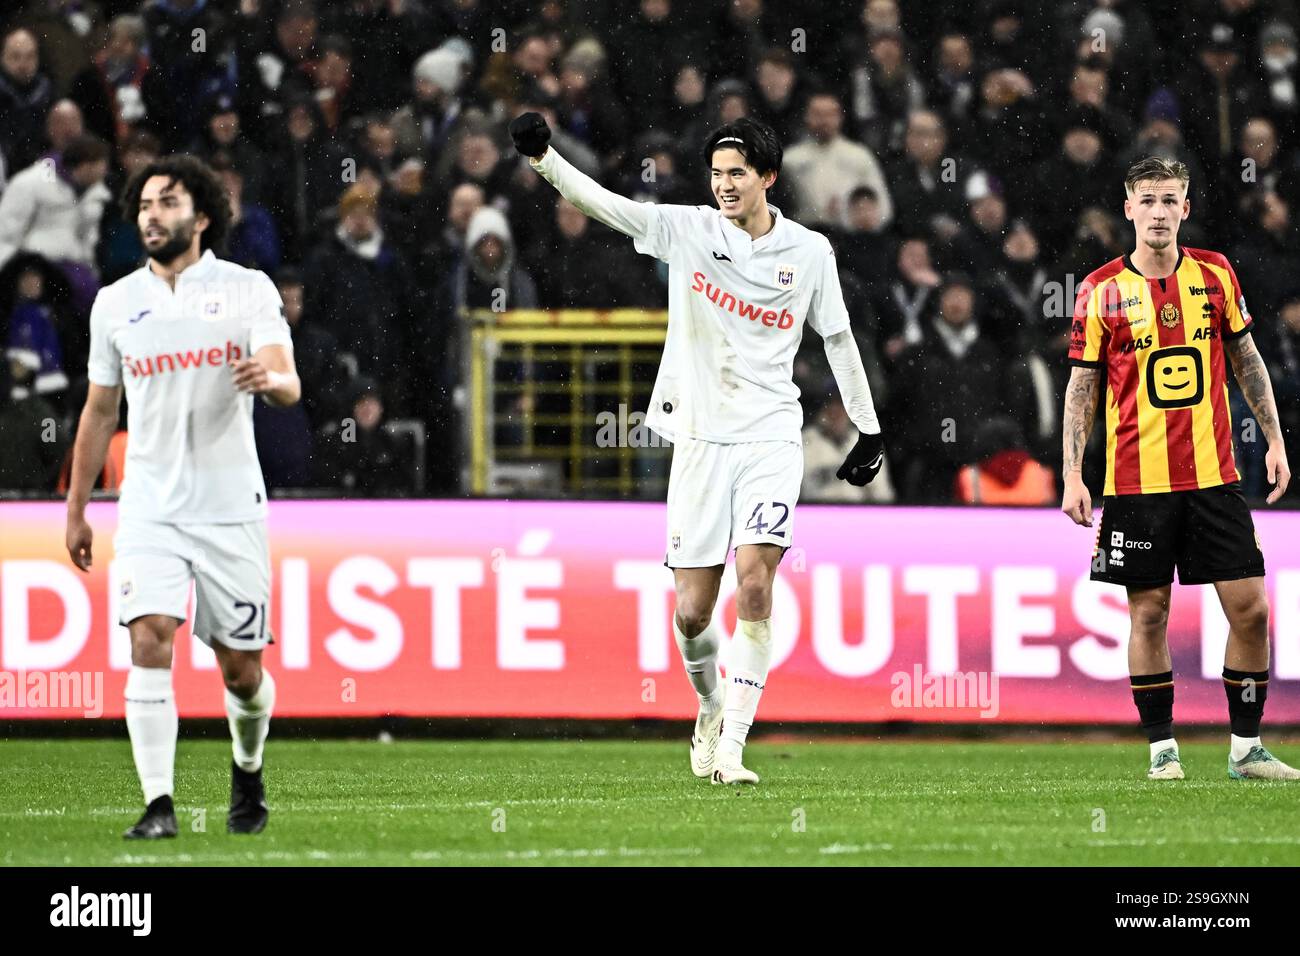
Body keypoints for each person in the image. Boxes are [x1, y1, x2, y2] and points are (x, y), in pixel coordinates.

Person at [510, 112, 885, 785]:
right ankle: (712, 706)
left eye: (737, 173)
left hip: (772, 435)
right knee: (691, 614)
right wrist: (544, 159)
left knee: (756, 581)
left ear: (768, 177)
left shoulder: (808, 253)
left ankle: (736, 746)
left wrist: (869, 426)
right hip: (701, 441)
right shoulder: (686, 230)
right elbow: (607, 206)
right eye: (716, 174)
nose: (724, 185)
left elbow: (837, 338)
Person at [64, 154, 301, 838]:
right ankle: (159, 804)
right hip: (149, 507)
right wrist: (78, 508)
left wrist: (273, 382)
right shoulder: (115, 303)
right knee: (151, 636)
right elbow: (100, 413)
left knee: (241, 671)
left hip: (231, 507)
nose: (151, 214)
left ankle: (247, 769)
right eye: (143, 204)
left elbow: (287, 379)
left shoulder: (247, 288)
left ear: (201, 217)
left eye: (167, 202)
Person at [1061, 155, 1295, 782]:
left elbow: (1247, 360)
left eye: (1171, 200)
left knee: (1251, 610)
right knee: (1149, 612)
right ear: (1128, 208)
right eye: (1148, 200)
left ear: (1185, 208)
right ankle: (1162, 749)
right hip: (1137, 483)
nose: (1159, 212)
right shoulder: (1100, 290)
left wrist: (1273, 440)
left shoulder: (1216, 275)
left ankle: (1246, 748)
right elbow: (1081, 389)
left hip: (1215, 476)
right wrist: (1073, 474)